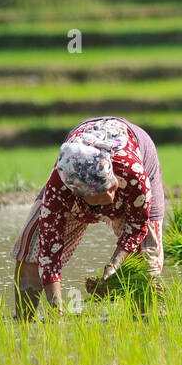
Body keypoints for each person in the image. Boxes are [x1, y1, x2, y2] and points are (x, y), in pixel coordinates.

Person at [11, 117, 164, 317]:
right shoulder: (59, 192)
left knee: (144, 259)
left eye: (110, 187)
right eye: (101, 194)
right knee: (33, 249)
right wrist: (57, 312)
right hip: (76, 189)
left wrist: (114, 266)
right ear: (78, 195)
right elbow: (48, 256)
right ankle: (23, 321)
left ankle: (143, 320)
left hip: (132, 171)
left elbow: (136, 225)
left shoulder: (133, 174)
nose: (110, 197)